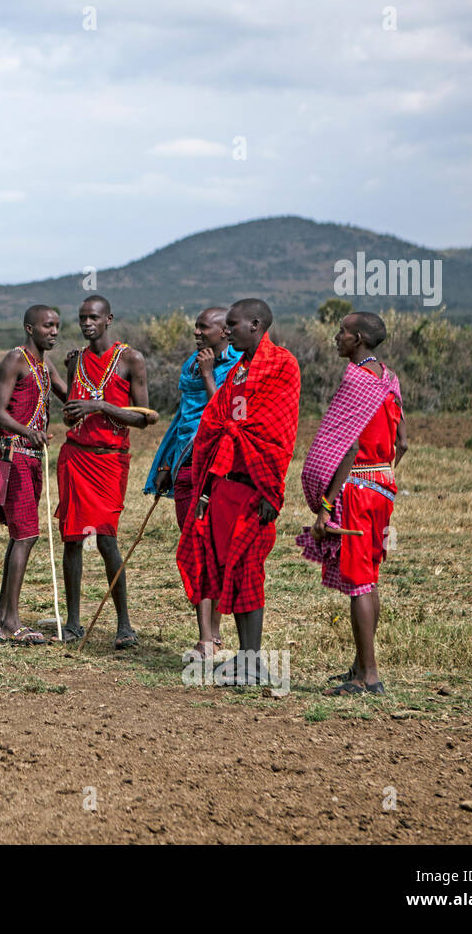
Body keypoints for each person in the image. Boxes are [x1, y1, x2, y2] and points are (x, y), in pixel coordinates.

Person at [176, 298, 300, 686]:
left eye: (233, 324)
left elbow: (279, 435)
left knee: (249, 571)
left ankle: (251, 662)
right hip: (226, 486)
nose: (227, 330)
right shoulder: (239, 370)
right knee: (228, 568)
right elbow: (218, 416)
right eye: (225, 324)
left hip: (255, 488)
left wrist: (270, 490)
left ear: (257, 324)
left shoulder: (281, 365)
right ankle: (247, 659)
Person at [297, 312, 407, 696]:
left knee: (359, 582)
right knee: (369, 577)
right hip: (383, 486)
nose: (336, 337)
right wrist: (382, 474)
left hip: (358, 487)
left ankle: (368, 677)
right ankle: (360, 665)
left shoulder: (356, 379)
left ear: (357, 338)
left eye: (342, 332)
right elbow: (402, 443)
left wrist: (326, 504)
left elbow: (348, 446)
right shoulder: (388, 378)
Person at [55, 296, 155, 648]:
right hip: (76, 457)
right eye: (82, 318)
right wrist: (74, 414)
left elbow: (143, 417)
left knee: (107, 539)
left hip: (110, 460)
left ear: (109, 319)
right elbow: (70, 409)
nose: (87, 323)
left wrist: (98, 406)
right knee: (72, 538)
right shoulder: (76, 361)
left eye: (94, 317)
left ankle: (124, 625)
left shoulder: (131, 360)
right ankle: (72, 622)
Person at [143, 307, 241, 660]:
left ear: (224, 332)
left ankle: (212, 636)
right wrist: (167, 460)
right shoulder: (190, 366)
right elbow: (185, 417)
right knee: (195, 548)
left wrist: (208, 372)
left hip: (219, 469)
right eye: (196, 327)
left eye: (204, 327)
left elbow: (225, 415)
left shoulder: (238, 368)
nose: (197, 333)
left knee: (216, 552)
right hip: (186, 466)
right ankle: (205, 635)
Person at [0, 305, 69, 644]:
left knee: (21, 535)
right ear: (29, 328)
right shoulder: (16, 359)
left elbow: (70, 398)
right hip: (13, 453)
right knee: (25, 535)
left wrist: (76, 367)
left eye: (56, 326)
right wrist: (27, 431)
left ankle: (1, 617)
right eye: (47, 326)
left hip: (31, 455)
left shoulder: (45, 364)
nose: (53, 331)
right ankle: (12, 622)